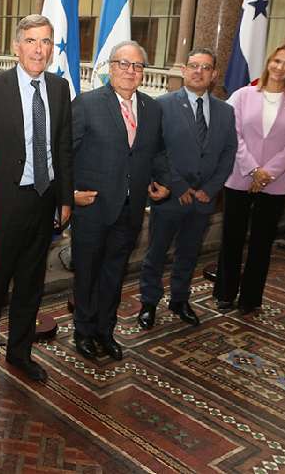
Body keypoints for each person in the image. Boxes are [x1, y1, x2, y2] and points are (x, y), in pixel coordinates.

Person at [0, 14, 73, 392]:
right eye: (31, 40)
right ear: (16, 46)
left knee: (31, 286)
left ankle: (20, 353)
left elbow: (62, 145)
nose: (38, 49)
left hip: (43, 202)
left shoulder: (60, 89)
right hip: (1, 206)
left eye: (45, 41)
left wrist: (65, 198)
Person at [71, 40, 170, 362]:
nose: (130, 71)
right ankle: (83, 331)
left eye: (137, 66)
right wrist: (70, 193)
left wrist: (163, 181)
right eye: (124, 64)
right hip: (93, 206)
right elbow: (65, 152)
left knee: (115, 274)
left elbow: (156, 153)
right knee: (87, 273)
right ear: (111, 68)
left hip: (130, 209)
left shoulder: (153, 109)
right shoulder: (86, 104)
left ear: (143, 72)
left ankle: (105, 331)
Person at [137, 48, 238, 329]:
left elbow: (229, 153)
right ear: (183, 70)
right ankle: (148, 302)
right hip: (171, 196)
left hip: (204, 199)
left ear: (214, 74)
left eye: (206, 67)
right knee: (156, 252)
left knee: (189, 253)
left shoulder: (226, 112)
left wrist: (211, 188)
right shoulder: (162, 105)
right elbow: (156, 150)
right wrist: (176, 184)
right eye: (193, 65)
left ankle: (180, 299)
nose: (198, 71)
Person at [214, 44, 285, 315]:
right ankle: (225, 292)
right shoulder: (244, 94)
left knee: (261, 243)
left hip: (275, 182)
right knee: (231, 238)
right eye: (276, 61)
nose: (280, 67)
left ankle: (250, 298)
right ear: (268, 63)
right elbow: (234, 135)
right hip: (240, 176)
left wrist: (267, 173)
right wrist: (254, 170)